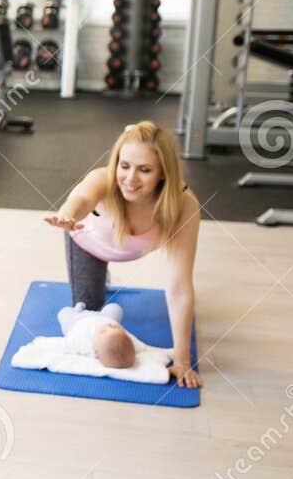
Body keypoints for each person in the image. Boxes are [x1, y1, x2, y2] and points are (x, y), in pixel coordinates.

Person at [43, 120, 201, 388]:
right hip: (88, 244)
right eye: (124, 166)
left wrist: (182, 360)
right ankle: (99, 276)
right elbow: (81, 200)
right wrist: (68, 215)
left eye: (145, 170)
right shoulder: (103, 179)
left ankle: (104, 276)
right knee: (92, 318)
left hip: (128, 249)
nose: (130, 178)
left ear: (164, 173)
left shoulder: (183, 205)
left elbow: (180, 288)